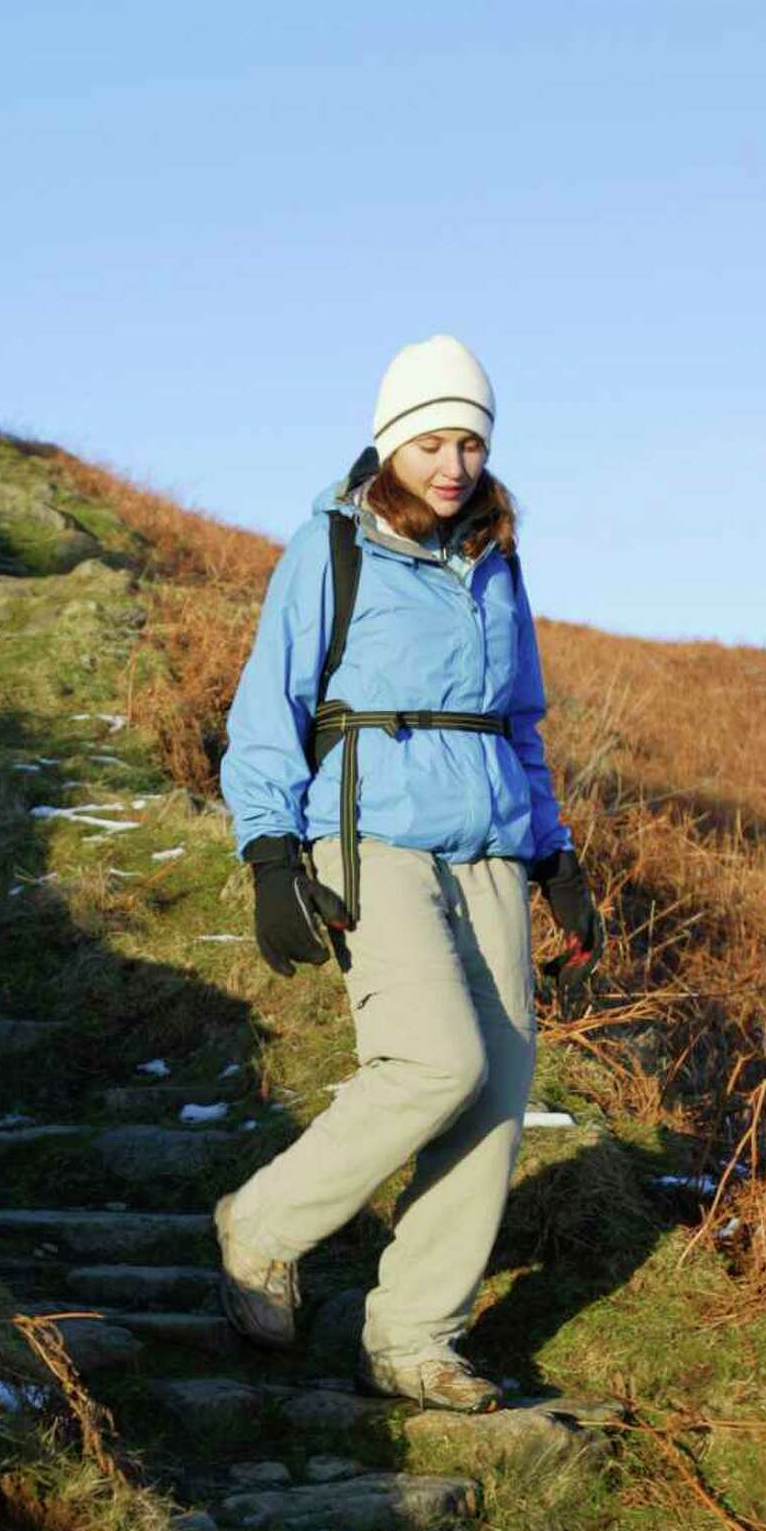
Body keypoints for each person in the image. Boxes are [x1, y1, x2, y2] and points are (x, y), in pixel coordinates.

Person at [213, 333, 601, 1413]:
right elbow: (266, 710)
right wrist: (267, 853)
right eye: (433, 439)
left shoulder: (497, 561)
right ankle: (261, 1226)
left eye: (471, 441)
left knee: (502, 1087)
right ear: (392, 442)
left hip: (490, 842)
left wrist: (555, 855)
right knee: (435, 1061)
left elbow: (519, 723)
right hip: (369, 832)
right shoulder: (331, 551)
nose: (455, 462)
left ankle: (416, 1337)